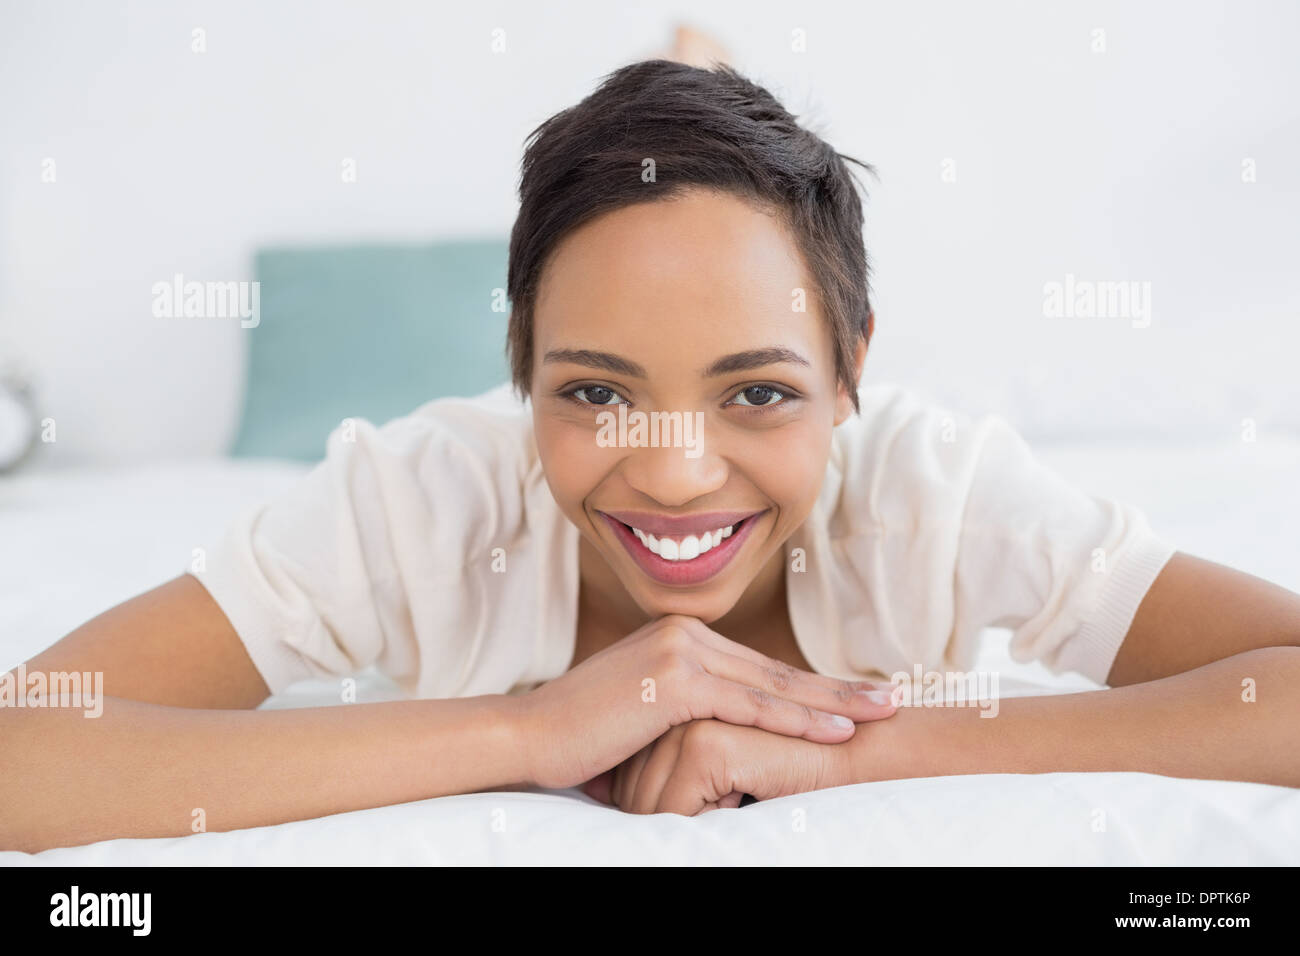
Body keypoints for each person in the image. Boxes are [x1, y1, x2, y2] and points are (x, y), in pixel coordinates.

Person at [5, 59, 1300, 855]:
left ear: (853, 370)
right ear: (519, 373)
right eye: (595, 392)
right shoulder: (425, 500)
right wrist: (528, 729)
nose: (677, 476)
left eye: (759, 391)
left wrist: (850, 752)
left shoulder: (936, 495)